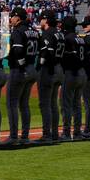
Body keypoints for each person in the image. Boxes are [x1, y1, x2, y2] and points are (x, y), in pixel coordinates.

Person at [6, 7, 35, 146]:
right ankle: (25, 135)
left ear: (18, 18)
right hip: (31, 67)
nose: (11, 18)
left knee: (12, 103)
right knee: (24, 104)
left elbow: (18, 51)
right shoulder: (34, 31)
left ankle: (13, 136)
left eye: (12, 16)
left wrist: (21, 65)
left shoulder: (18, 31)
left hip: (20, 69)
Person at [35, 11, 64, 144]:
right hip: (59, 68)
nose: (40, 21)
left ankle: (47, 134)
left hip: (49, 68)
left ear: (45, 21)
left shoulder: (47, 33)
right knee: (53, 104)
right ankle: (55, 133)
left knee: (45, 104)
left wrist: (41, 66)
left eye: (41, 19)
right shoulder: (60, 34)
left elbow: (47, 52)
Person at [59, 17, 86, 141]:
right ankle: (77, 132)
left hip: (71, 72)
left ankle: (66, 132)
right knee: (77, 105)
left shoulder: (67, 38)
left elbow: (70, 57)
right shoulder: (80, 38)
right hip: (82, 72)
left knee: (66, 104)